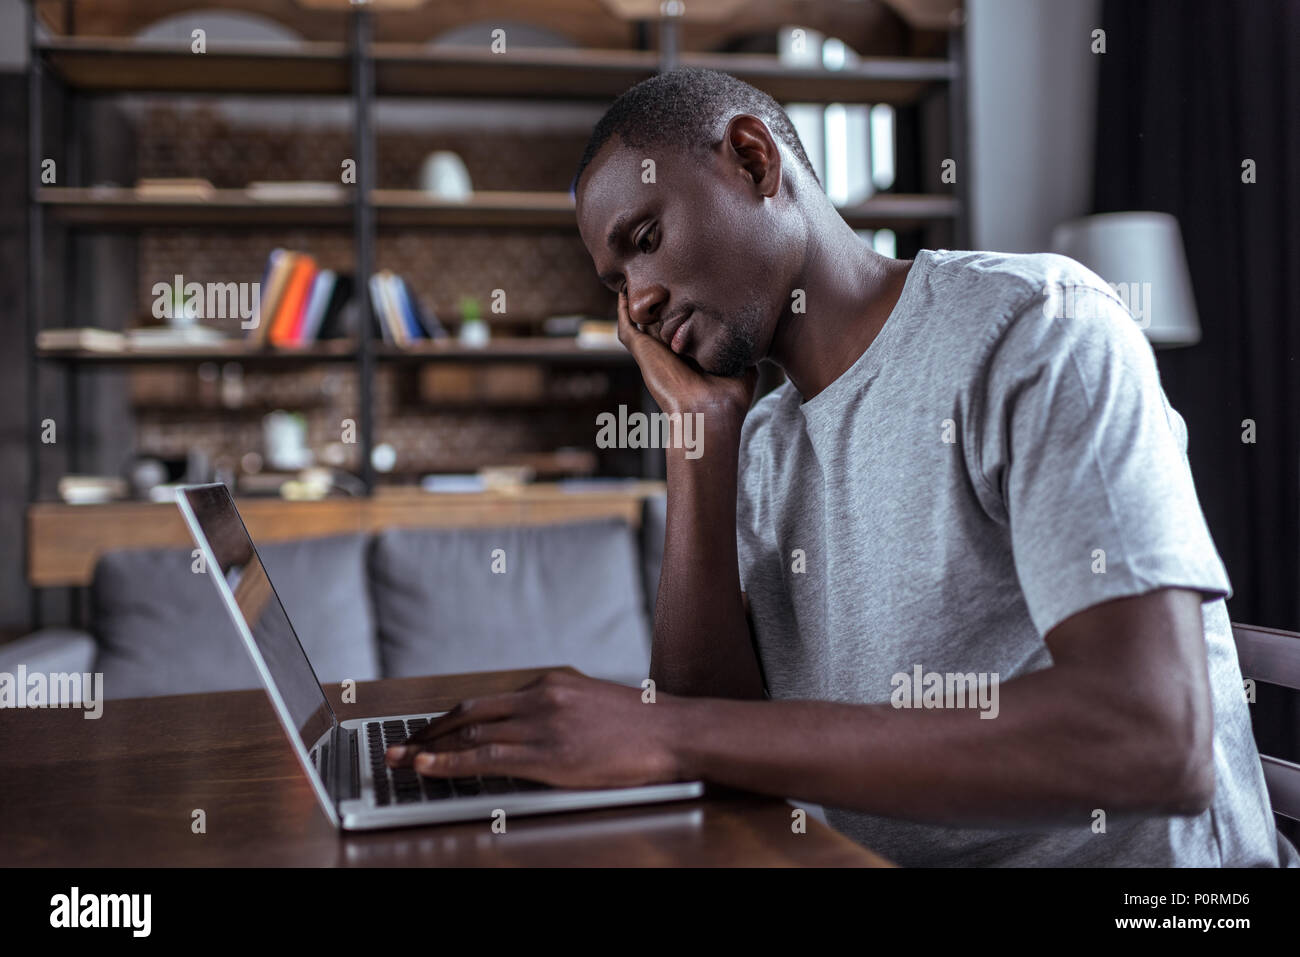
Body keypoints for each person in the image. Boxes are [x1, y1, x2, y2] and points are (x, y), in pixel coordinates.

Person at [388, 68, 1297, 867]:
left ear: (753, 160)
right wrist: (700, 445)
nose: (638, 302)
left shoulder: (1038, 329)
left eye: (645, 238)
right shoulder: (764, 438)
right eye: (615, 285)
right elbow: (717, 756)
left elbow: (1153, 739)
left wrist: (661, 727)